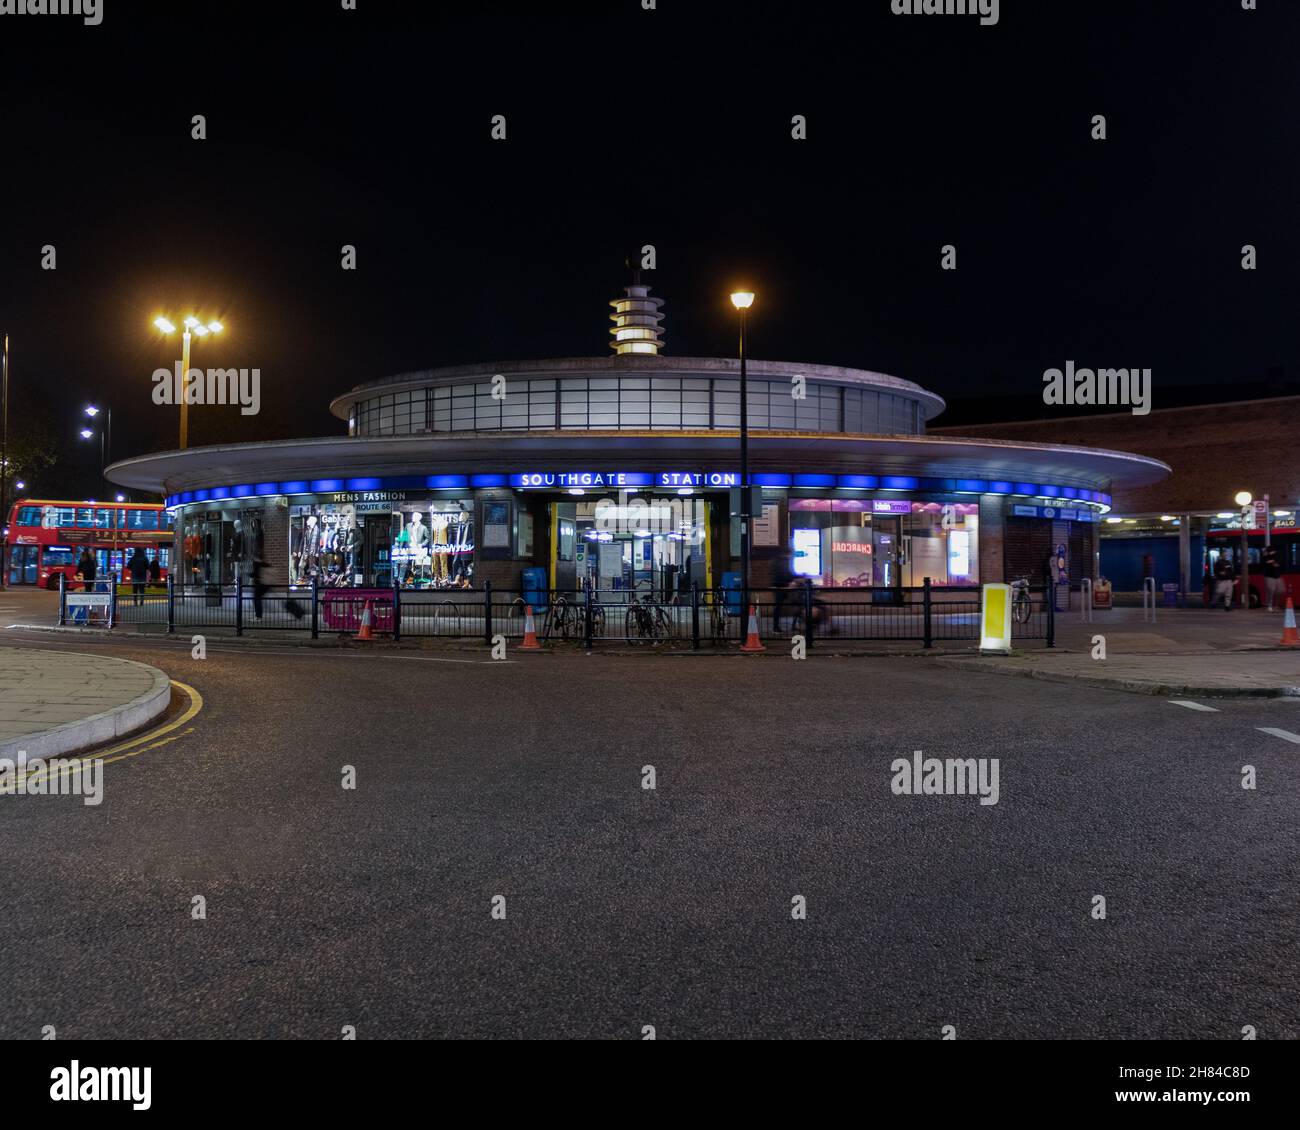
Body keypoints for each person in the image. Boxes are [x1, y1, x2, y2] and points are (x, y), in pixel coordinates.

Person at [1261, 544, 1283, 612]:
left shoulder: (1277, 556)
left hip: (1277, 576)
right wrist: (1272, 562)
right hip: (1269, 576)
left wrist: (1273, 562)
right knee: (1271, 591)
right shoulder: (1266, 557)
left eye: (1273, 551)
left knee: (1281, 590)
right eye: (1271, 551)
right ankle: (1269, 606)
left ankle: (1276, 605)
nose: (1272, 552)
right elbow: (1266, 563)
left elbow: (1277, 564)